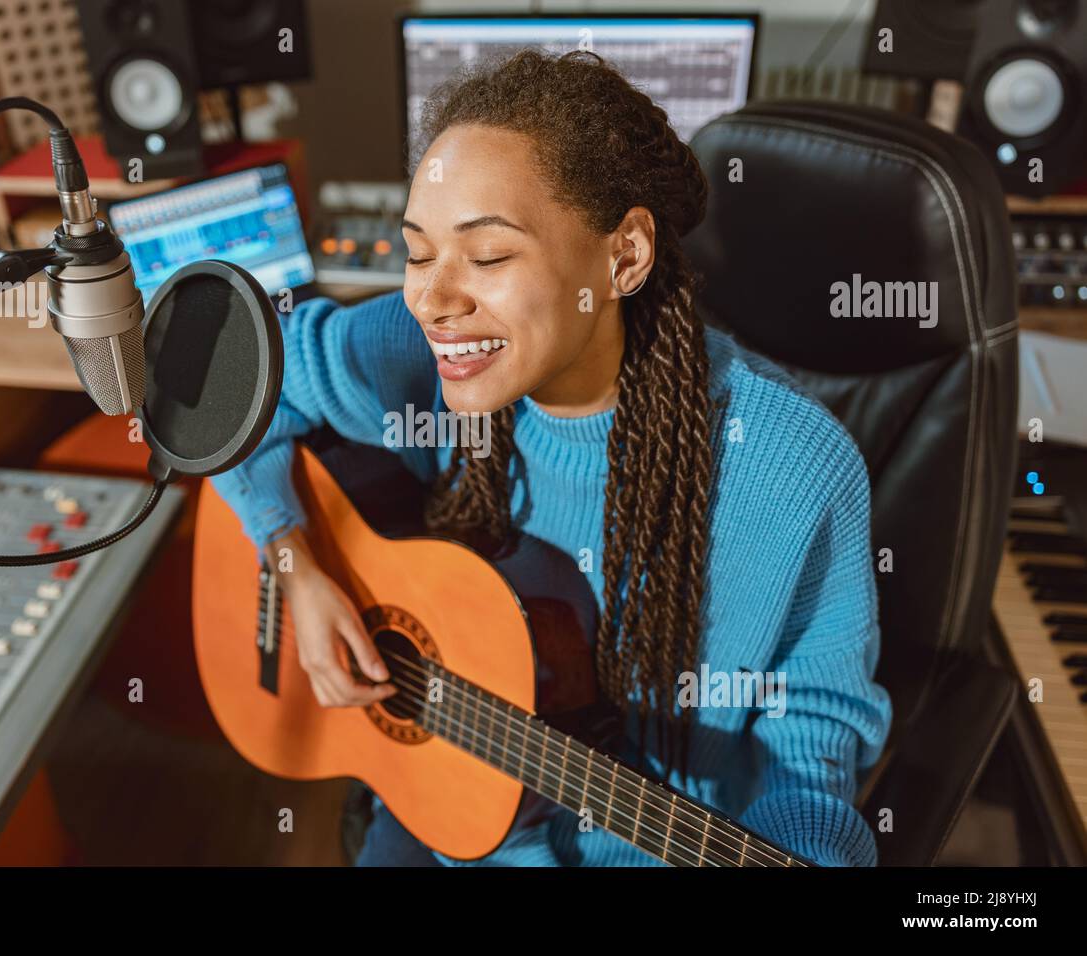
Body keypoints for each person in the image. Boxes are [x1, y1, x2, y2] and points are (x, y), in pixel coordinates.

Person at [212, 49, 892, 867]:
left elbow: (813, 744)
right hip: (441, 809)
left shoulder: (791, 465)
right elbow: (226, 393)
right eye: (419, 251)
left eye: (488, 256)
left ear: (624, 257)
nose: (430, 299)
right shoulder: (421, 355)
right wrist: (295, 562)